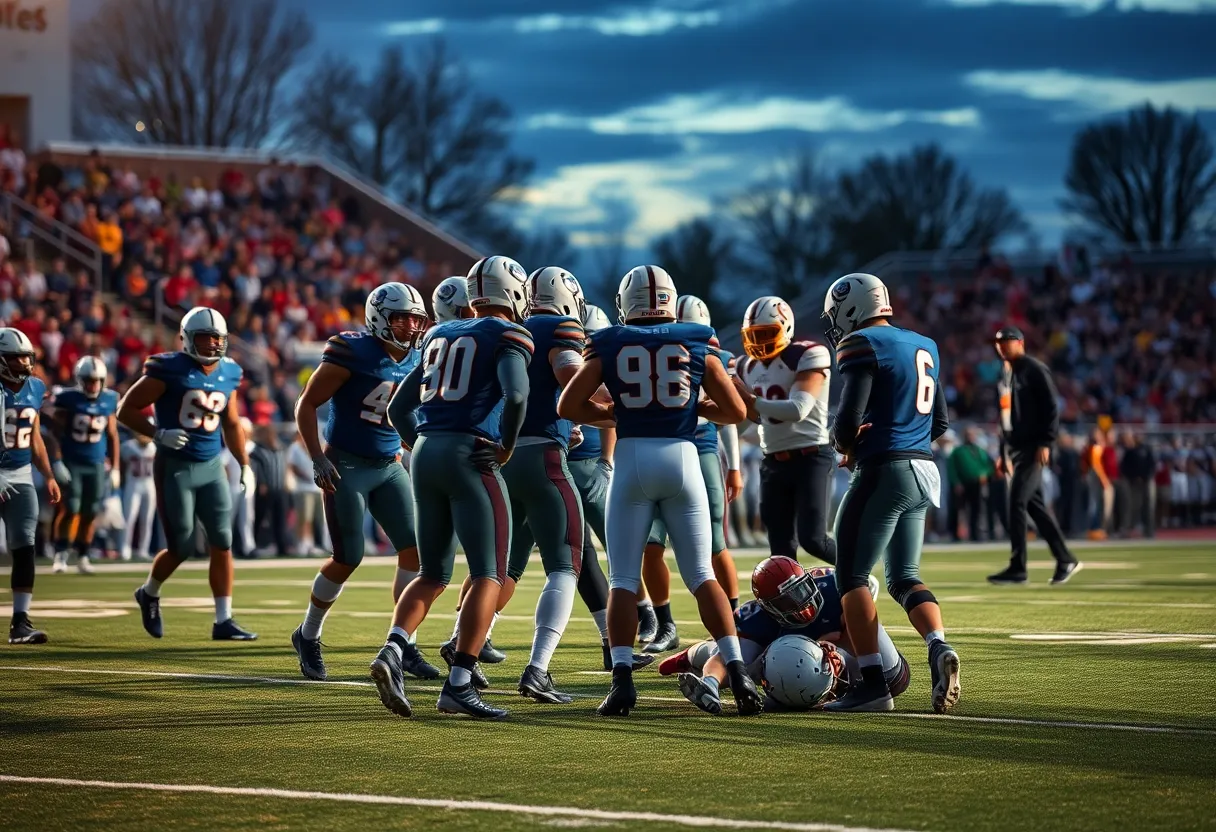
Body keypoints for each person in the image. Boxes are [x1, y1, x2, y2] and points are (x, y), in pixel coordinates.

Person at [557, 265, 760, 717]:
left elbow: (567, 404)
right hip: (683, 457)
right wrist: (690, 407)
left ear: (625, 304)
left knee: (624, 580)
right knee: (702, 574)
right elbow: (735, 409)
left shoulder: (609, 342)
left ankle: (623, 683)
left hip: (631, 458)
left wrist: (618, 416)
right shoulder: (695, 338)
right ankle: (739, 674)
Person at [371, 255, 533, 720]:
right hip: (471, 453)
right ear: (514, 291)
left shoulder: (439, 333)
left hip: (425, 451)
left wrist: (423, 445)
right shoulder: (509, 334)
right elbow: (517, 394)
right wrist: (505, 446)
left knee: (433, 572)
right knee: (489, 573)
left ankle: (393, 648)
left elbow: (398, 409)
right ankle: (459, 681)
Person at [820, 272, 958, 713]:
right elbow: (939, 424)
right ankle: (938, 645)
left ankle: (873, 686)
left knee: (852, 576)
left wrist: (847, 446)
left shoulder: (861, 345)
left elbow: (846, 422)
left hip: (885, 471)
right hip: (922, 469)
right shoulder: (927, 344)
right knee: (903, 577)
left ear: (850, 307)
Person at [291, 283, 434, 682]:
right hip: (346, 465)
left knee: (415, 552)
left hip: (389, 465)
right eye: (401, 317)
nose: (409, 326)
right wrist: (317, 457)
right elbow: (307, 403)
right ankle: (308, 634)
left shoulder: (420, 357)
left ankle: (403, 644)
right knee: (348, 556)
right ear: (379, 318)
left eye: (415, 318)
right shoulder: (351, 352)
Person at [477, 266, 588, 704]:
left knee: (500, 566)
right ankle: (538, 668)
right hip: (542, 459)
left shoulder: (511, 329)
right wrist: (606, 406)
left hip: (501, 457)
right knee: (566, 562)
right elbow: (570, 376)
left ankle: (462, 643)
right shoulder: (561, 327)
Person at [118, 307, 257, 641]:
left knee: (223, 541)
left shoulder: (229, 372)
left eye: (217, 338)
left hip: (211, 467)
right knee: (180, 546)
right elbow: (125, 409)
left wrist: (245, 464)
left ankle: (223, 619)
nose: (212, 345)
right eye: (205, 338)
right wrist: (156, 433)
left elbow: (232, 422)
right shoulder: (169, 369)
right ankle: (149, 591)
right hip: (175, 466)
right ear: (187, 339)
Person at [661, 558, 909, 714]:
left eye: (800, 589)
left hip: (856, 663)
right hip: (788, 662)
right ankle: (700, 670)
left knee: (891, 677)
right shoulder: (758, 617)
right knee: (729, 655)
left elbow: (864, 605)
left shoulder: (831, 584)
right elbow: (728, 656)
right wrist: (716, 682)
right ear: (768, 606)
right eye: (786, 600)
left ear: (808, 578)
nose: (801, 603)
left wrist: (836, 643)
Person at [640, 294, 744, 656]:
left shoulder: (712, 354)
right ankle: (664, 622)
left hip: (700, 447)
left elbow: (729, 414)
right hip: (661, 445)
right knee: (651, 545)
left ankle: (735, 621)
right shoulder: (654, 348)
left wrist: (734, 466)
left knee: (715, 543)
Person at [567, 303, 653, 669]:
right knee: (576, 555)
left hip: (585, 465)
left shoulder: (597, 361)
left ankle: (646, 611)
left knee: (617, 546)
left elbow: (612, 413)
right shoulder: (568, 354)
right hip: (560, 464)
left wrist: (606, 461)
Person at [733, 296, 836, 565]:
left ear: (785, 328)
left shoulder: (807, 354)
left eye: (767, 333)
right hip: (772, 461)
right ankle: (790, 604)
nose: (759, 342)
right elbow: (748, 421)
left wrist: (750, 400)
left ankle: (858, 573)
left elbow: (797, 408)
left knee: (813, 540)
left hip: (810, 456)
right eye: (754, 335)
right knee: (780, 551)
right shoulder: (746, 366)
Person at [987, 326, 1082, 585]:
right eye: (998, 343)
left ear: (1020, 343)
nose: (1002, 347)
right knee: (1033, 505)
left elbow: (1052, 406)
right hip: (1015, 449)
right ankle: (1065, 558)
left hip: (1032, 447)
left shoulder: (1034, 369)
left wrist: (1046, 441)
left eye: (1007, 341)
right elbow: (1004, 417)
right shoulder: (1005, 374)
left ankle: (1018, 567)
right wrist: (1002, 451)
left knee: (1016, 501)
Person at [2, 328, 62, 644]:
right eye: (16, 357)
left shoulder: (35, 388)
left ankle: (20, 622)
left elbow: (35, 435)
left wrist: (49, 475)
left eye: (27, 356)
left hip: (21, 475)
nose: (24, 363)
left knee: (25, 546)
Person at [50, 356, 120, 574]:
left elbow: (112, 435)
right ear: (80, 380)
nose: (93, 385)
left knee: (90, 512)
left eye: (97, 380)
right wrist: (57, 460)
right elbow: (54, 432)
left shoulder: (109, 399)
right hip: (73, 461)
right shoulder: (68, 399)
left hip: (96, 463)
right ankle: (61, 552)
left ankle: (83, 554)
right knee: (70, 508)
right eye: (89, 380)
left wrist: (116, 467)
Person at [947, 427, 994, 542]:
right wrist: (956, 482)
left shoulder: (980, 450)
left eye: (972, 435)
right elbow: (952, 468)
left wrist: (984, 474)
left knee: (976, 510)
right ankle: (955, 535)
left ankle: (975, 533)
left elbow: (988, 466)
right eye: (968, 435)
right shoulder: (957, 451)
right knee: (958, 510)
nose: (970, 437)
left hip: (976, 484)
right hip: (962, 484)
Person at [287, 432, 327, 556]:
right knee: (304, 518)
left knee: (317, 518)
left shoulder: (315, 447)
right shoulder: (295, 448)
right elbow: (292, 466)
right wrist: (304, 476)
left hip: (316, 488)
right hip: (303, 489)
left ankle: (313, 544)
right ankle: (302, 544)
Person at [119, 431, 157, 562]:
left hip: (149, 484)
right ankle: (125, 548)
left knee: (147, 519)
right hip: (133, 483)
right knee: (129, 517)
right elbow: (121, 465)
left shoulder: (154, 447)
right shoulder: (128, 446)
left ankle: (143, 549)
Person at [1120, 431, 1156, 538]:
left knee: (1148, 506)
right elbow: (1124, 467)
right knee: (1132, 507)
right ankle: (1129, 529)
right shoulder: (1130, 451)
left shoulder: (1147, 450)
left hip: (1146, 482)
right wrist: (1133, 477)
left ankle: (1149, 530)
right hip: (1133, 483)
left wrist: (1146, 477)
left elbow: (1151, 465)